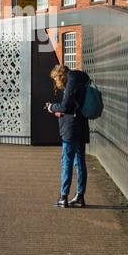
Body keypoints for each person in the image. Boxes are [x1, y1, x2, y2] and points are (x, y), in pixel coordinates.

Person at [46, 64, 89, 208]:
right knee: (80, 162)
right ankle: (80, 197)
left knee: (67, 162)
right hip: (82, 126)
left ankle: (63, 197)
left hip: (70, 129)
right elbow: (72, 105)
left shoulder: (71, 81)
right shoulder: (81, 79)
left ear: (60, 76)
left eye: (55, 79)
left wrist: (52, 108)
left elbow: (65, 106)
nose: (56, 82)